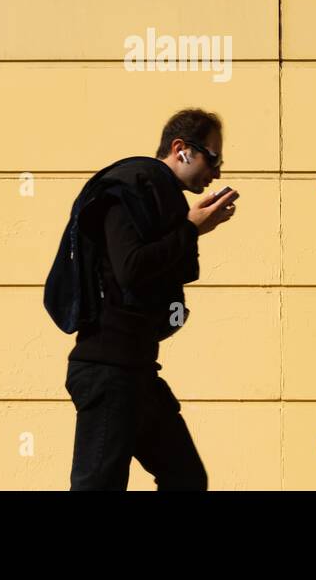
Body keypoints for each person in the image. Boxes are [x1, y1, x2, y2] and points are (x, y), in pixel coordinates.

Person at [63, 108, 238, 490]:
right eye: (213, 157)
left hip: (138, 371)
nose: (218, 171)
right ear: (182, 149)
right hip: (108, 371)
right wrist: (190, 229)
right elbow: (131, 266)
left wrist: (191, 230)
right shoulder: (130, 185)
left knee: (186, 477)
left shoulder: (158, 197)